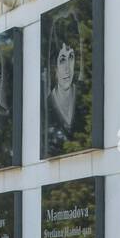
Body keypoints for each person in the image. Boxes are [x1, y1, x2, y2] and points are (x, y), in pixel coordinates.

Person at [45, 11, 81, 149]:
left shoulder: (83, 96)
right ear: (54, 65)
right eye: (62, 60)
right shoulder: (48, 104)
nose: (67, 68)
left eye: (71, 57)